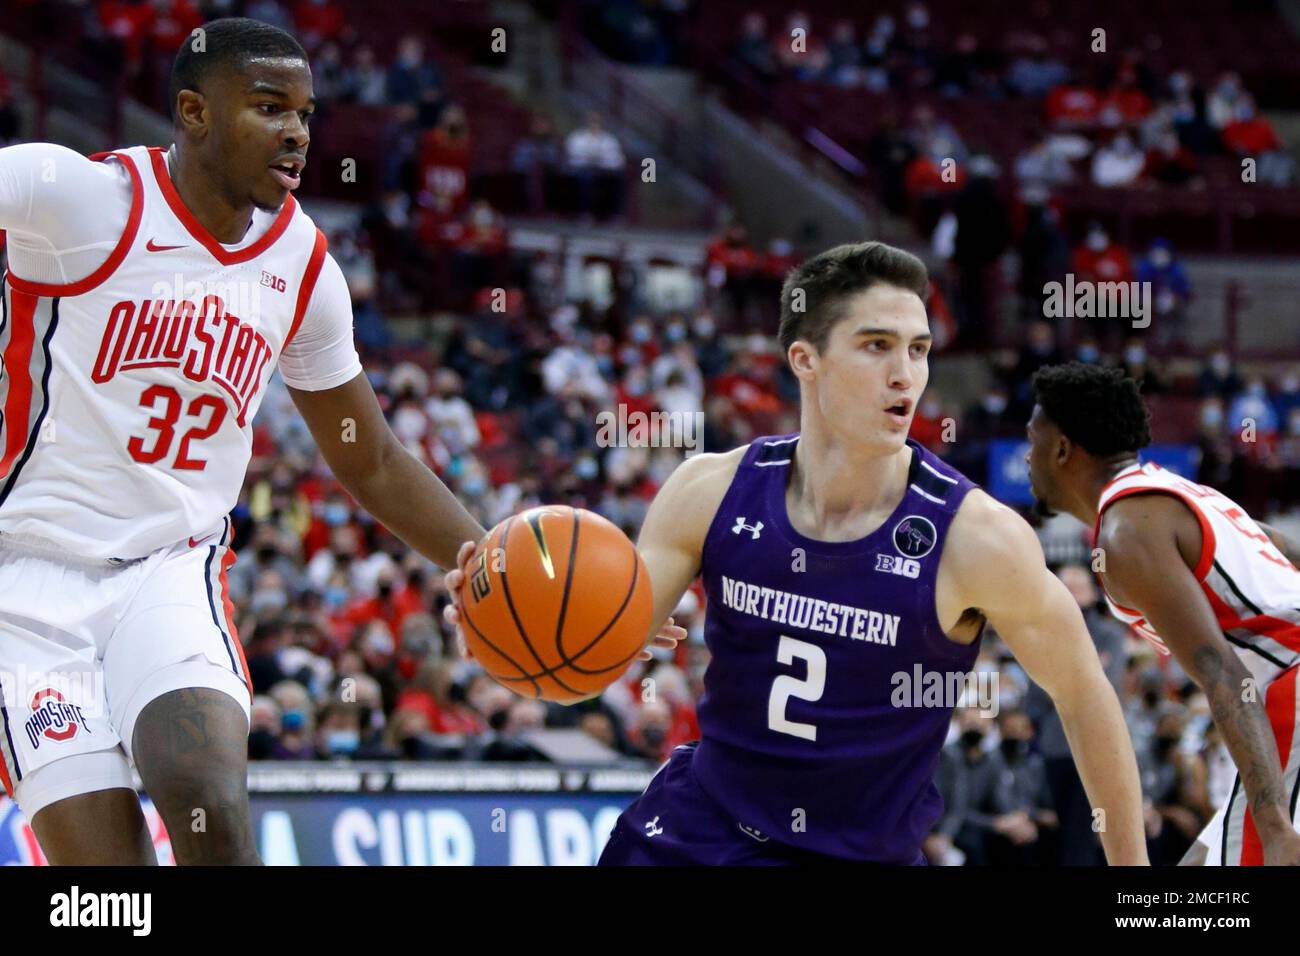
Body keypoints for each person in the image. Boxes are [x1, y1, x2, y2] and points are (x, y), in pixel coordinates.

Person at [444, 241, 1148, 865]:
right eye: (877, 345)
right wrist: (505, 627)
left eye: (919, 349)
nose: (906, 374)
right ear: (804, 360)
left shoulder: (975, 537)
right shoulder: (708, 490)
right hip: (697, 831)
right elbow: (589, 654)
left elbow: (1084, 693)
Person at [0, 18, 490, 865]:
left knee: (211, 808)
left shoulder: (301, 265)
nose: (298, 133)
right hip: (23, 582)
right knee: (108, 881)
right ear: (193, 112)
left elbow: (367, 456)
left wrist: (495, 562)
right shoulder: (74, 198)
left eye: (305, 113)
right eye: (270, 108)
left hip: (168, 568)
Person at [1024, 362, 1300, 865]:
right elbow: (1286, 548)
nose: (1026, 456)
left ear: (1061, 448)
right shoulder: (1180, 493)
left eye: (1032, 440)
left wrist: (1276, 826)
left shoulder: (1126, 533)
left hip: (1288, 692)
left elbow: (1223, 672)